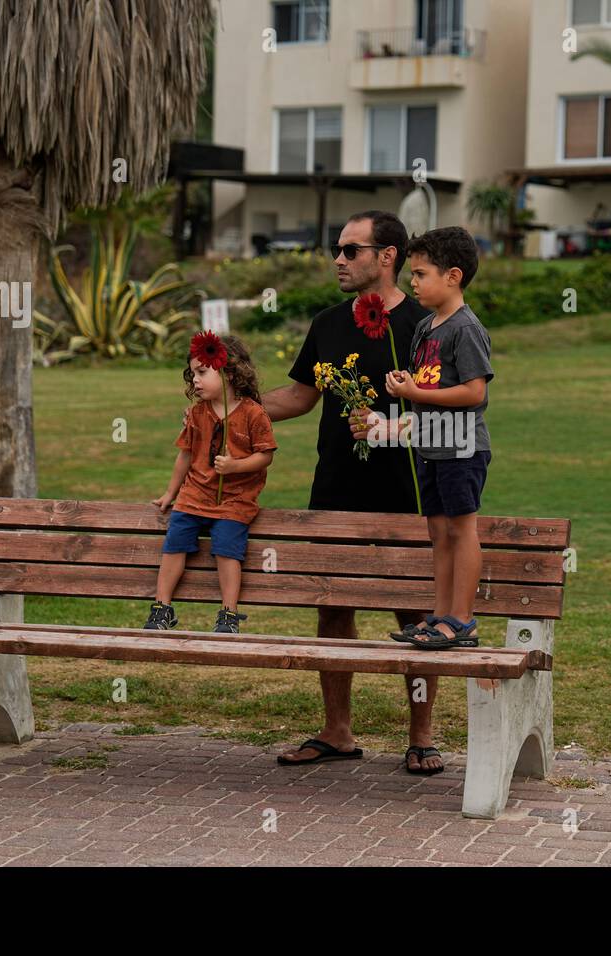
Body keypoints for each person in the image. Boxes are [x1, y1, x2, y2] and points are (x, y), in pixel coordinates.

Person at [261, 210, 444, 775]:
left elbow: (446, 409)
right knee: (332, 605)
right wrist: (233, 406)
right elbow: (298, 397)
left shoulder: (426, 324)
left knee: (416, 613)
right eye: (335, 250)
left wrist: (390, 426)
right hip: (336, 484)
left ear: (387, 256)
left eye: (350, 250)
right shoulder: (328, 323)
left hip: (407, 488)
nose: (338, 260)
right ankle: (336, 732)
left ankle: (422, 736)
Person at [363, 226, 494, 650]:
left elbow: (475, 392)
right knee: (438, 531)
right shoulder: (426, 328)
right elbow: (428, 381)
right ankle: (438, 617)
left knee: (461, 529)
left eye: (420, 274)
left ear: (452, 276)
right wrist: (406, 382)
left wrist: (414, 392)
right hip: (431, 445)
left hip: (461, 446)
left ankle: (462, 620)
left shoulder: (465, 328)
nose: (412, 282)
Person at [144, 334, 277, 634]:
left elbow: (265, 456)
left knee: (227, 549)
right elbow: (185, 456)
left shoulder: (253, 414)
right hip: (194, 495)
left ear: (229, 373)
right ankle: (162, 607)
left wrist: (235, 466)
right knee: (175, 543)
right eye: (193, 373)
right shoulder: (196, 414)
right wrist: (170, 493)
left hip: (235, 500)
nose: (196, 379)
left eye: (203, 372)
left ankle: (228, 613)